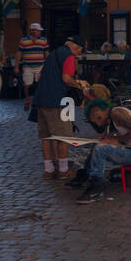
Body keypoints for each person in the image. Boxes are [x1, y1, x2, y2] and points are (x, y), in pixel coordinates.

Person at [75, 99, 131, 203]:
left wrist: (116, 140)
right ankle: (85, 176)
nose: (99, 123)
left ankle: (96, 188)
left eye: (99, 118)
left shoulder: (116, 113)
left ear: (102, 110)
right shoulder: (112, 116)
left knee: (100, 149)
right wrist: (110, 138)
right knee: (98, 146)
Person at [33, 35, 89, 181]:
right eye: (79, 51)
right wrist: (79, 84)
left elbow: (40, 76)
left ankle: (49, 169)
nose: (78, 54)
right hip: (59, 101)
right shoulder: (69, 57)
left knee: (46, 136)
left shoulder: (53, 54)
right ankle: (63, 170)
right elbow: (66, 79)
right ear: (75, 47)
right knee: (64, 135)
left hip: (41, 99)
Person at [15, 22, 50, 111]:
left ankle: (39, 100)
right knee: (27, 84)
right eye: (38, 30)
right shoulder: (24, 40)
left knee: (41, 84)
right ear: (32, 31)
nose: (39, 32)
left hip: (40, 66)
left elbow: (46, 53)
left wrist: (48, 65)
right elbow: (19, 53)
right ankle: (27, 98)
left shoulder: (43, 40)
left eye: (39, 31)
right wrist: (16, 66)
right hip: (28, 66)